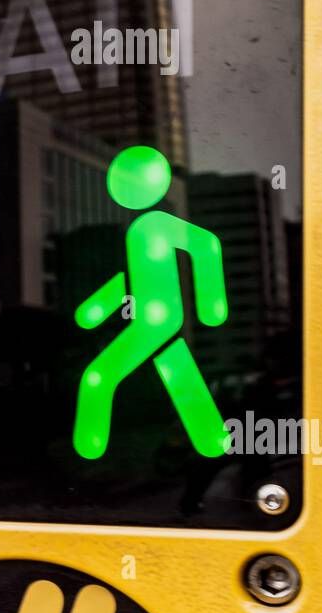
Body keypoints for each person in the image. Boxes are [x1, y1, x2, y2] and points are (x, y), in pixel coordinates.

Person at [74, 145, 230, 460]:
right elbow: (129, 280)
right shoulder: (138, 230)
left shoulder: (157, 224)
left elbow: (205, 245)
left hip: (156, 321)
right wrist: (96, 309)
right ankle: (212, 439)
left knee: (99, 377)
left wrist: (211, 305)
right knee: (181, 376)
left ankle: (90, 444)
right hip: (155, 320)